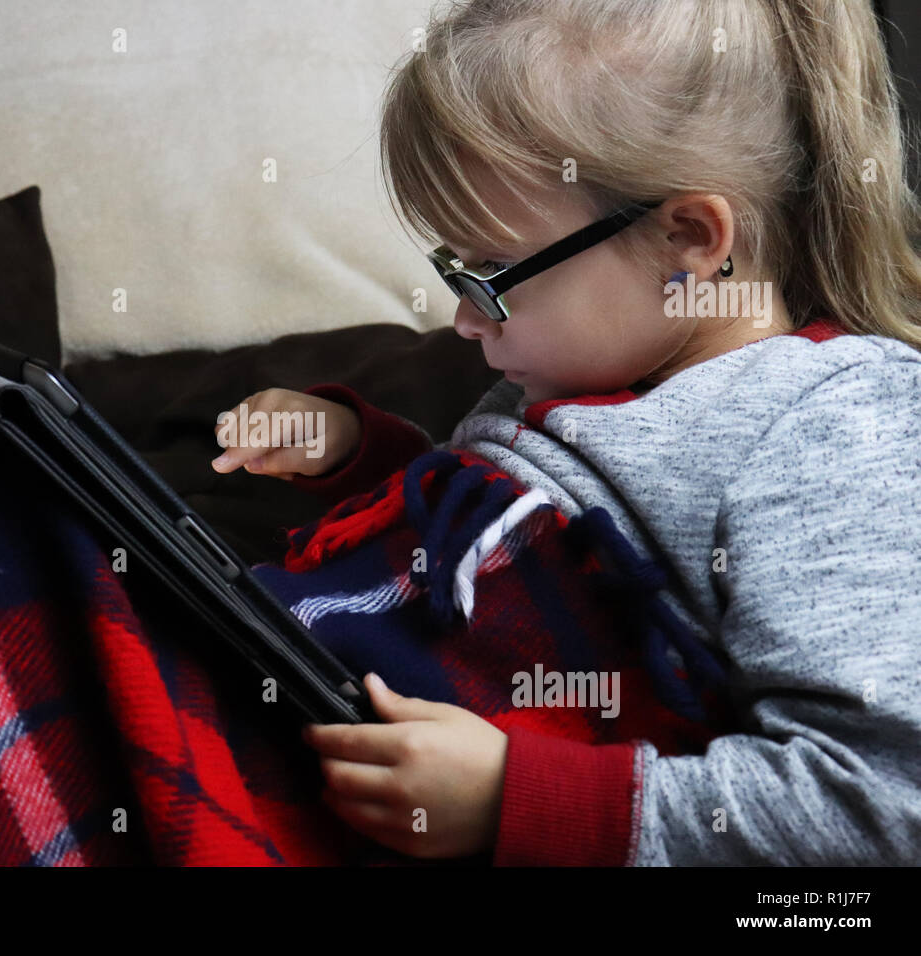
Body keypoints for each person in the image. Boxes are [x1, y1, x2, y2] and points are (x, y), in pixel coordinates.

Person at [210, 0, 921, 865]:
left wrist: (523, 801)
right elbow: (490, 556)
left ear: (690, 241)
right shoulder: (574, 376)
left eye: (491, 273)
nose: (464, 320)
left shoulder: (833, 425)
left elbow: (879, 806)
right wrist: (361, 456)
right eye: (453, 270)